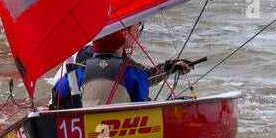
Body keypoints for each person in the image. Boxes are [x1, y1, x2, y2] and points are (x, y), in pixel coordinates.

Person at [49, 24, 194, 109]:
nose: (138, 34)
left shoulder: (77, 70)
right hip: (118, 133)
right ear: (121, 41)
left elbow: (58, 93)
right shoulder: (131, 71)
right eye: (137, 29)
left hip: (85, 130)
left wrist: (170, 67)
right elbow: (142, 102)